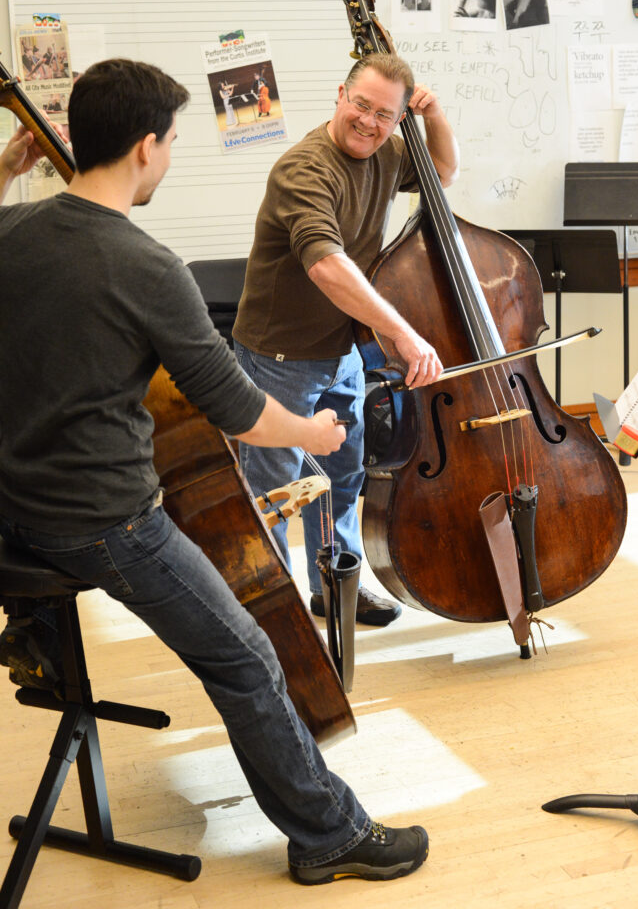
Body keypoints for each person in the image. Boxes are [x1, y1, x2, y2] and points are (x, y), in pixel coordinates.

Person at [0, 58, 429, 885]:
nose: (170, 156)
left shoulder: (15, 236)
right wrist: (316, 432)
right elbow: (240, 412)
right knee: (246, 656)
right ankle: (327, 834)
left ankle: (40, 643)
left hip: (15, 507)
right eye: (170, 141)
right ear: (142, 148)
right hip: (104, 522)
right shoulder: (147, 266)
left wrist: (13, 168)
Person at [232, 52, 458, 628]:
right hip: (279, 357)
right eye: (362, 105)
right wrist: (402, 334)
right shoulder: (303, 170)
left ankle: (336, 586)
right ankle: (274, 615)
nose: (369, 122)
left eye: (386, 114)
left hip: (343, 351)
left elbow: (443, 174)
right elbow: (328, 267)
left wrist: (434, 118)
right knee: (275, 489)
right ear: (340, 95)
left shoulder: (387, 151)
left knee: (343, 475)